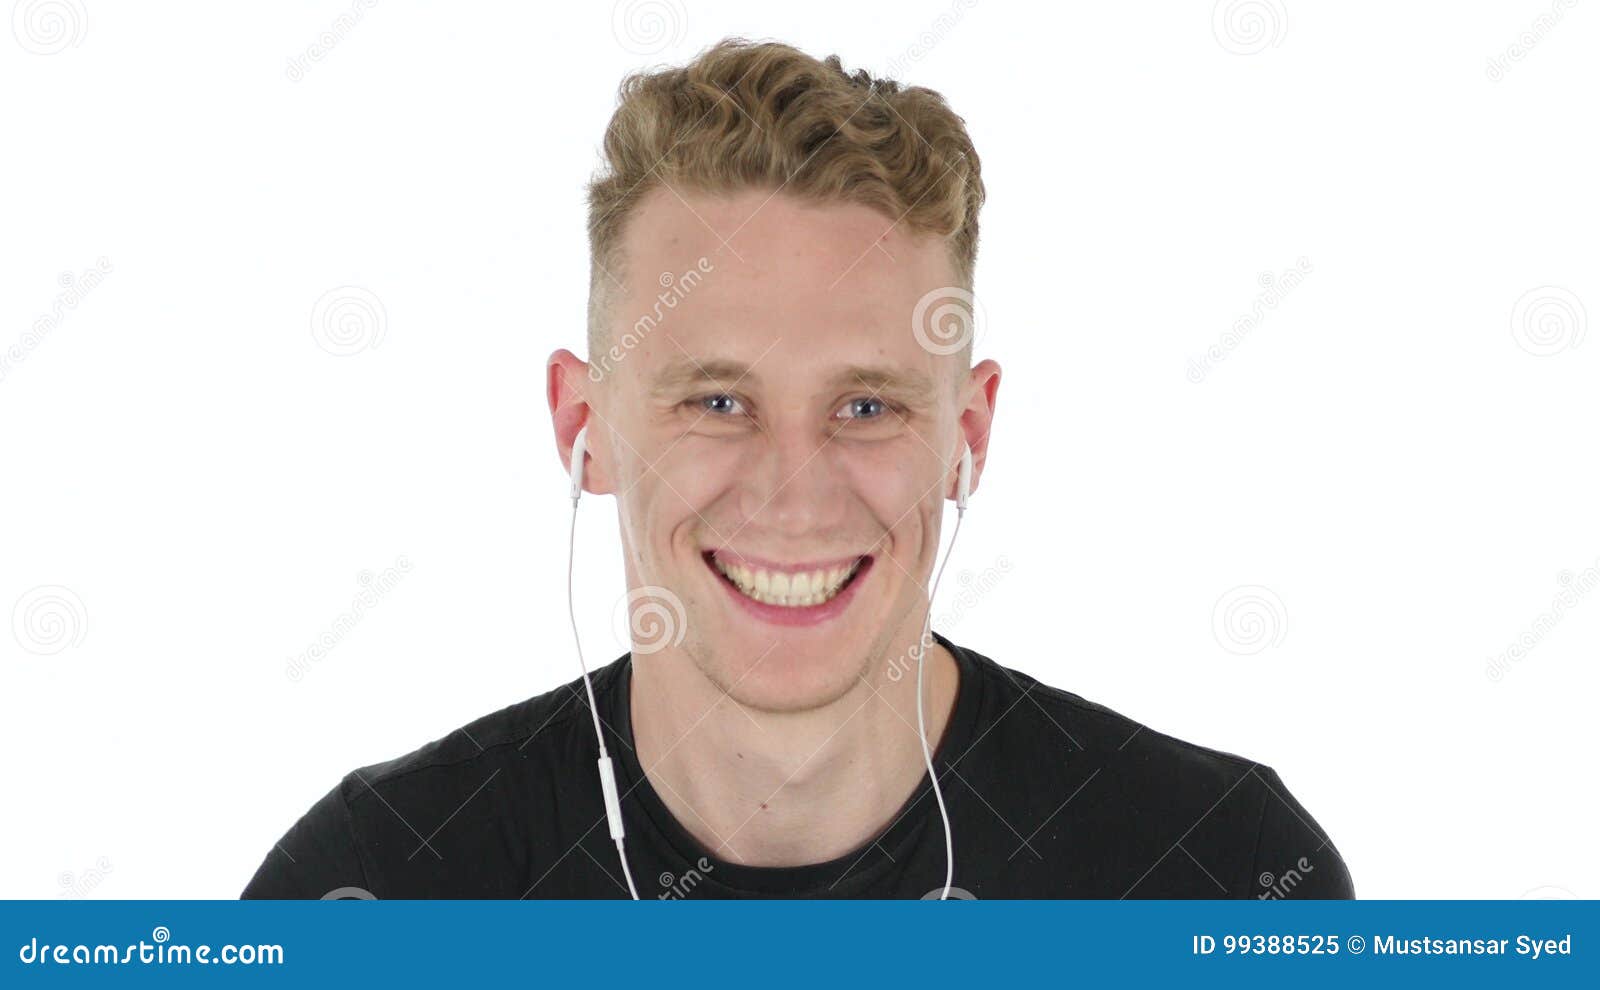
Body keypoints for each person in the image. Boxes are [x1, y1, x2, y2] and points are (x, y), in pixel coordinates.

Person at [243, 37, 1353, 900]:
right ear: (584, 425)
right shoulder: (377, 889)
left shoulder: (1217, 874)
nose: (792, 490)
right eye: (716, 401)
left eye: (865, 406)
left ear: (967, 437)